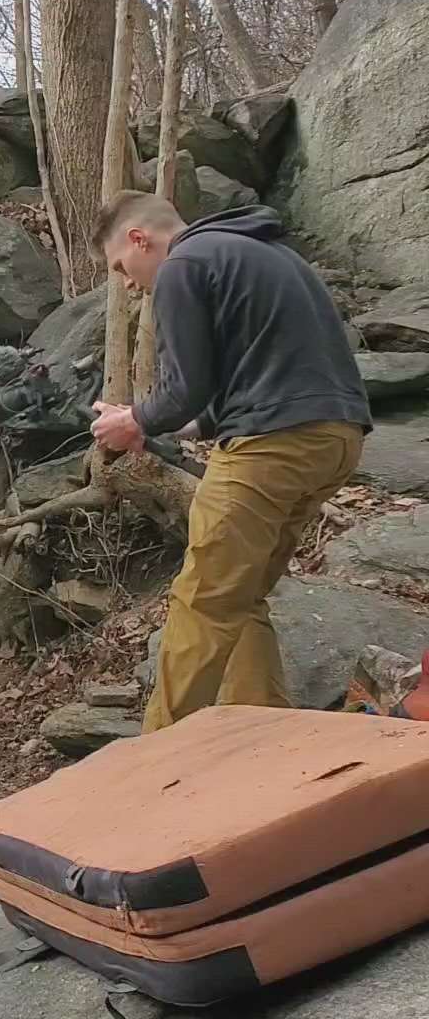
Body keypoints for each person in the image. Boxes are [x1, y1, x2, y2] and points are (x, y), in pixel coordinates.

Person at [87, 194, 371, 733]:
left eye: (121, 267)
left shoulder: (184, 265)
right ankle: (262, 734)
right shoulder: (266, 254)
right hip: (335, 438)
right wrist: (159, 423)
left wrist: (135, 421)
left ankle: (155, 753)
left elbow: (184, 389)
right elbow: (243, 383)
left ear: (139, 240)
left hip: (271, 449)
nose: (126, 283)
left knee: (203, 600)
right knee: (239, 595)